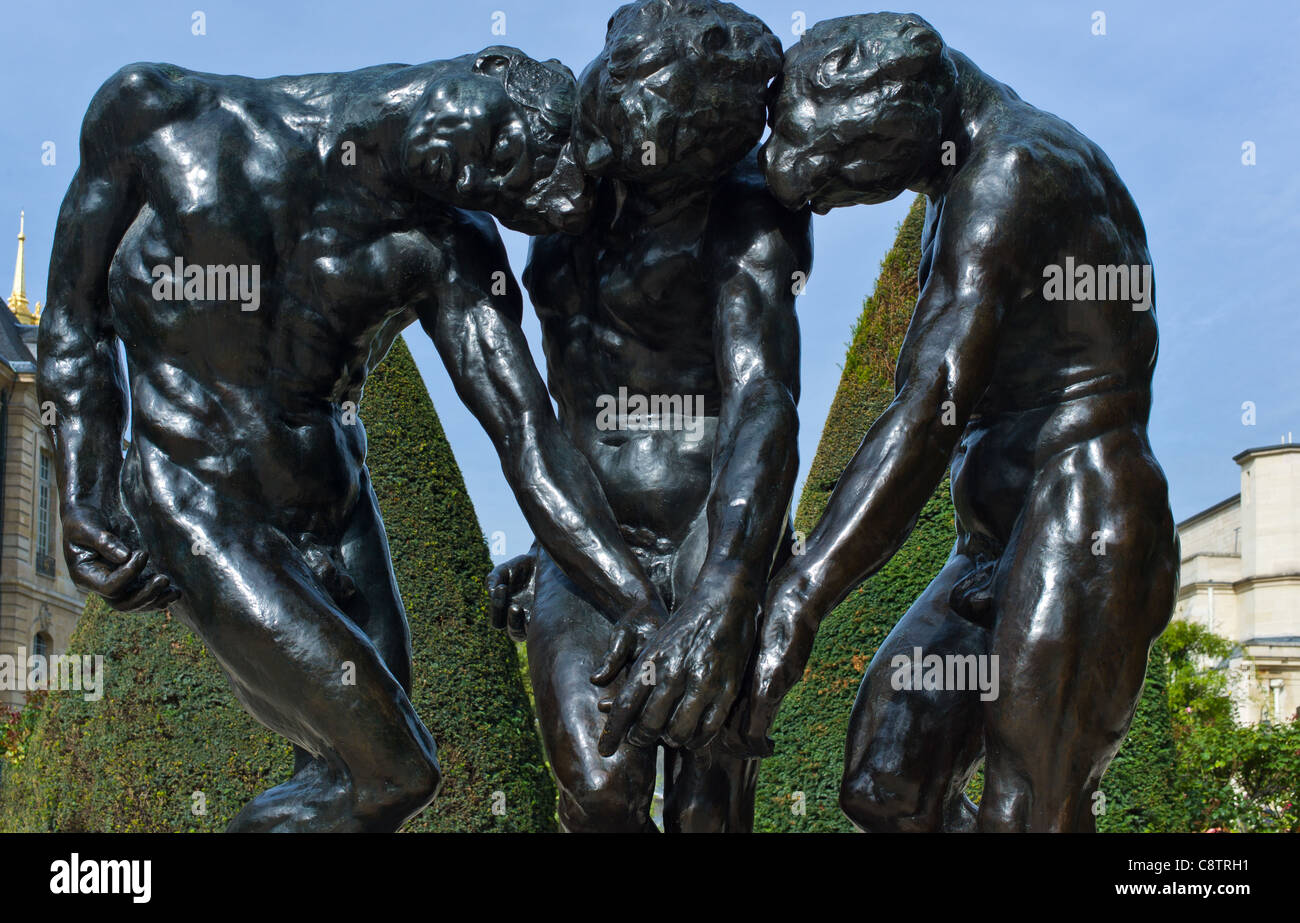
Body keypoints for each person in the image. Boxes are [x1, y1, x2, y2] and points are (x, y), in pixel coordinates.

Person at [38, 46, 665, 832]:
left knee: (350, 784)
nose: (469, 177)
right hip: (198, 500)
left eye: (495, 188)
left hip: (336, 515)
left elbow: (526, 435)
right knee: (391, 773)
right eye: (501, 147)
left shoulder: (447, 244)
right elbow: (71, 322)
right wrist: (83, 492)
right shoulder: (156, 113)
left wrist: (633, 597)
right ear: (492, 64)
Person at [733, 12, 1178, 832]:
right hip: (991, 540)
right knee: (884, 786)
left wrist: (797, 597)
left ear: (892, 118)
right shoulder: (963, 177)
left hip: (1086, 516)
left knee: (1029, 812)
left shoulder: (1015, 169)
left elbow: (928, 405)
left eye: (834, 172)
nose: (826, 202)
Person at [491, 0, 810, 831]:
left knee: (708, 805)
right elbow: (556, 401)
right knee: (599, 793)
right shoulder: (564, 181)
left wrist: (734, 583)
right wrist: (550, 533)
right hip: (594, 532)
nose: (607, 155)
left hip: (710, 520)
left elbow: (762, 399)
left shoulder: (745, 210)